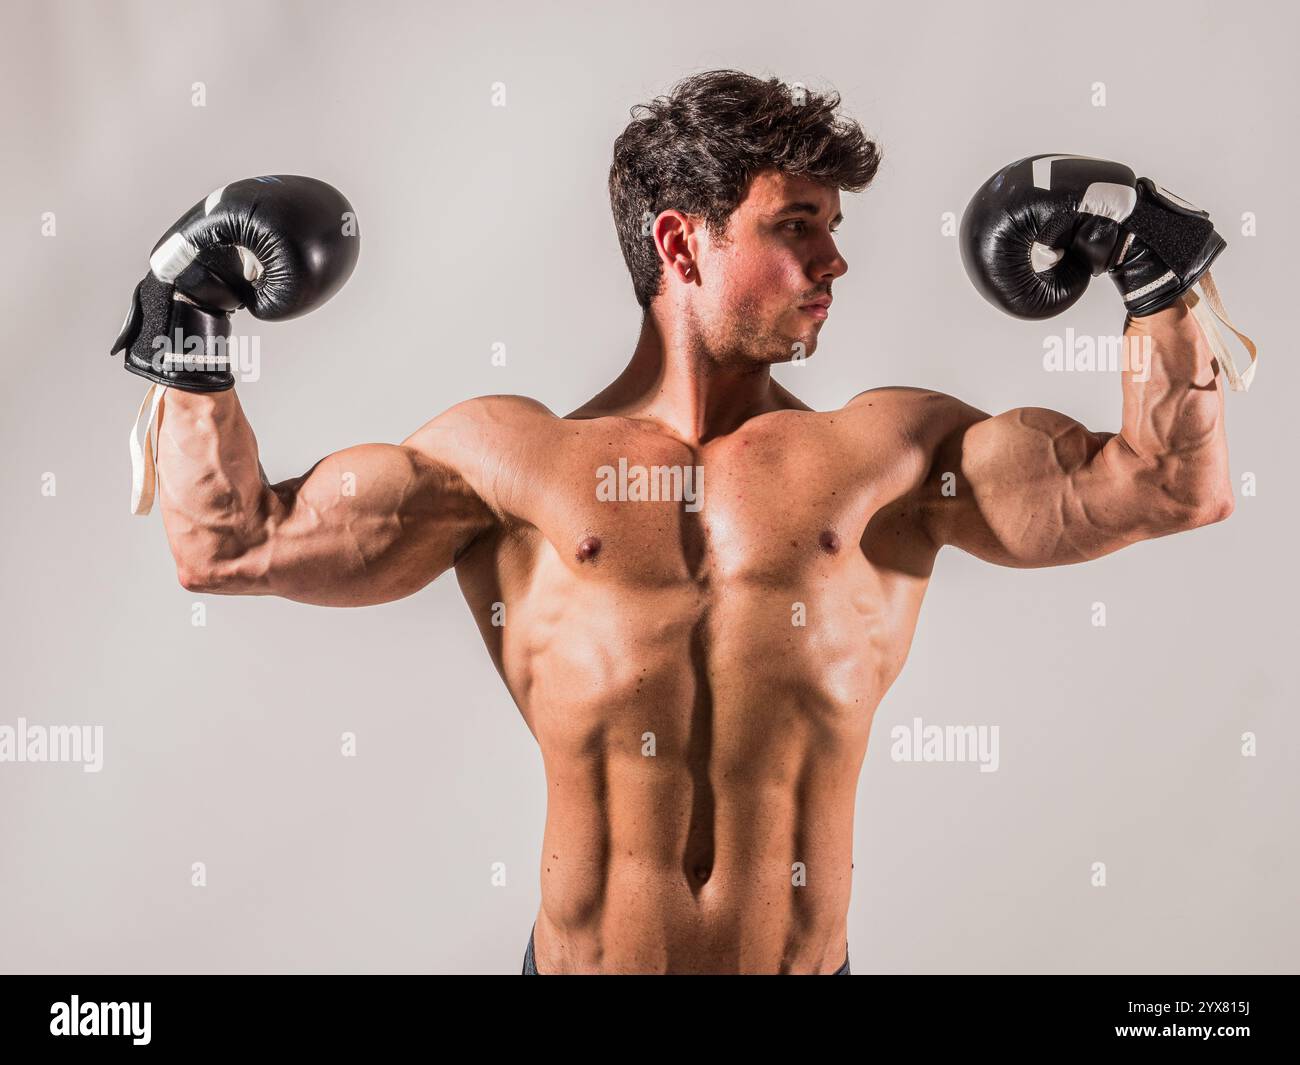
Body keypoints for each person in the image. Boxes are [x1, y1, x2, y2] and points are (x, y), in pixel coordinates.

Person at [111, 70, 1251, 975]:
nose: (833, 258)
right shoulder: (506, 461)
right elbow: (228, 546)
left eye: (831, 225)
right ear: (679, 242)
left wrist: (1155, 279)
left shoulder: (893, 456)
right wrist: (187, 324)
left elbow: (1167, 486)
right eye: (795, 225)